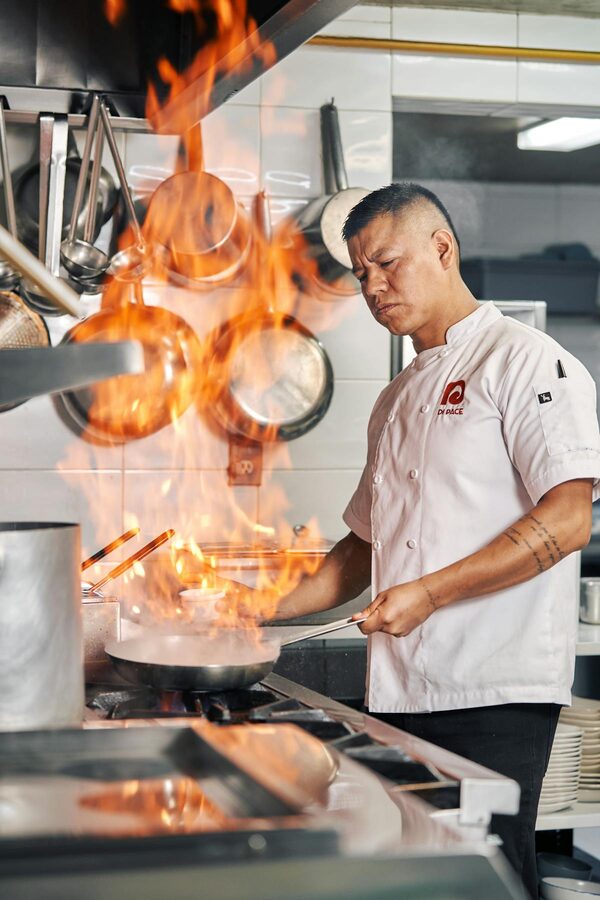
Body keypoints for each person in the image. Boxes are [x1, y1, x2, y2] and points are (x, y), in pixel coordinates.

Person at [268, 182, 600, 898]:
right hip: (401, 691)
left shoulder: (526, 362)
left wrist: (427, 593)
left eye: (387, 263)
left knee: (490, 880)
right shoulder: (394, 400)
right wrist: (247, 610)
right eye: (361, 275)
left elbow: (570, 519)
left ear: (442, 248)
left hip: (493, 688)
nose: (373, 287)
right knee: (420, 881)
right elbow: (358, 552)